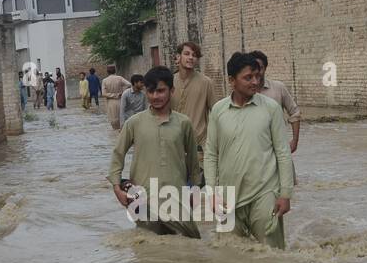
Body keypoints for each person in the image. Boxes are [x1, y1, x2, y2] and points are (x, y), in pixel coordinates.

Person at [204, 51, 293, 249]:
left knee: (271, 255)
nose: (255, 82)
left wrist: (285, 194)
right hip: (227, 197)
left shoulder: (271, 108)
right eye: (248, 77)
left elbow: (282, 152)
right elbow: (211, 154)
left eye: (257, 77)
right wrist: (212, 194)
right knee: (230, 258)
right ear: (231, 80)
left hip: (264, 194)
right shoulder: (218, 110)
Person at [108, 66, 201, 239]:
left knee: (191, 245)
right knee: (149, 253)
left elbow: (193, 163)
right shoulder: (134, 123)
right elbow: (117, 154)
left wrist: (195, 191)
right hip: (144, 199)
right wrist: (117, 188)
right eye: (150, 92)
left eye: (160, 91)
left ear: (171, 90)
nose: (155, 96)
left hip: (176, 198)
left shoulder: (183, 123)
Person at [249, 50, 301, 184]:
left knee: (286, 187)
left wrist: (294, 141)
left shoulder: (278, 88)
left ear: (265, 68)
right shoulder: (245, 92)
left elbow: (294, 113)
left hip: (279, 149)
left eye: (259, 68)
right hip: (254, 152)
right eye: (252, 68)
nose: (256, 73)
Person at [172, 41, 220, 182]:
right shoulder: (168, 82)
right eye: (186, 54)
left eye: (194, 55)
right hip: (173, 147)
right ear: (177, 57)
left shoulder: (206, 83)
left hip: (199, 148)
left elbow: (217, 113)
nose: (191, 57)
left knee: (196, 193)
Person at [101, 65, 131, 130]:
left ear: (107, 72)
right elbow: (129, 84)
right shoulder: (120, 78)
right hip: (121, 100)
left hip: (110, 102)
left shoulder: (105, 80)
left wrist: (114, 95)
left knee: (113, 120)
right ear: (115, 71)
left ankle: (115, 137)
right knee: (122, 119)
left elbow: (103, 94)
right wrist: (123, 92)